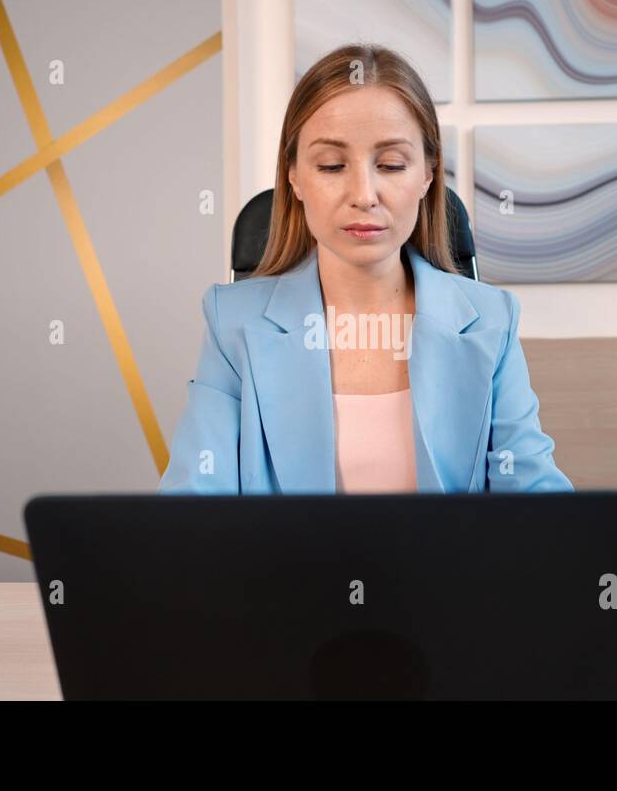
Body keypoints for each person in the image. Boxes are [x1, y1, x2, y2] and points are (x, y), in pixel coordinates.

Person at [159, 43, 572, 495]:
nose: (364, 194)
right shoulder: (231, 322)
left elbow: (537, 503)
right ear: (294, 176)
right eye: (332, 165)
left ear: (428, 174)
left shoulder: (491, 321)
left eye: (391, 164)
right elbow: (194, 503)